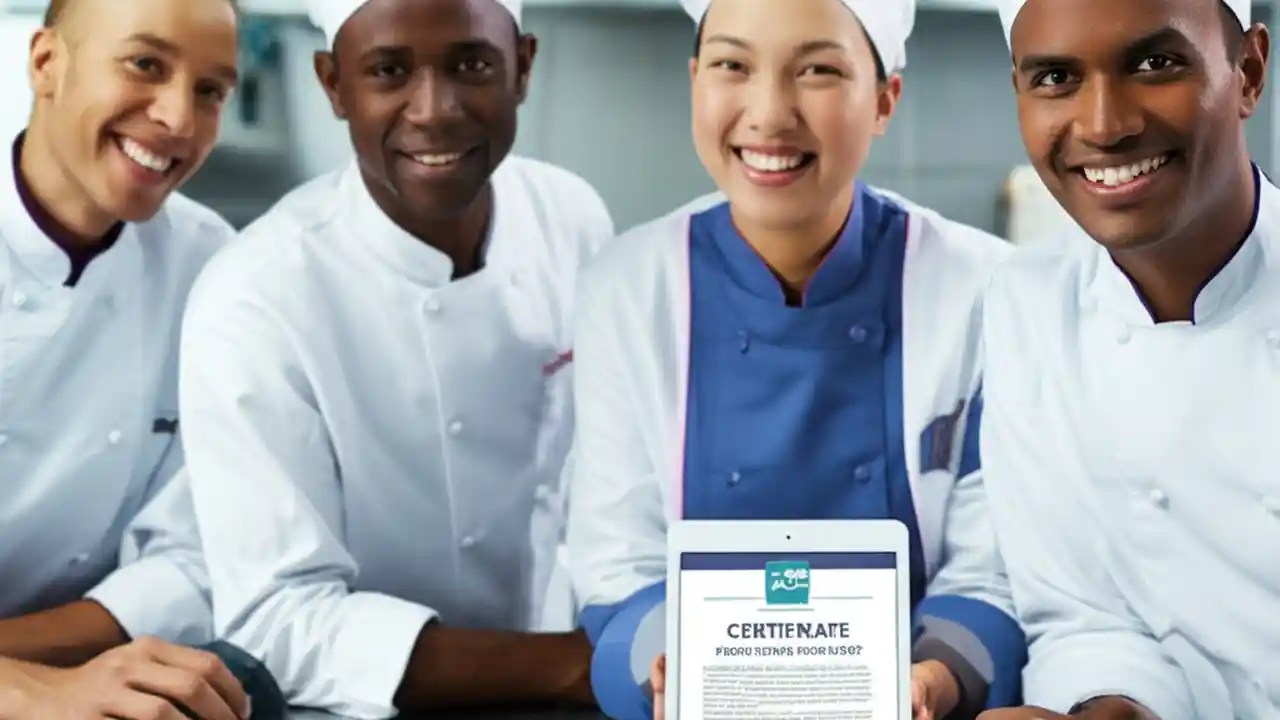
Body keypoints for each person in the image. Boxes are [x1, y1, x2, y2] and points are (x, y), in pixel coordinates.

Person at [566, 0, 1027, 719]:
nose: (770, 112)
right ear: (695, 80)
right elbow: (616, 563)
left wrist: (936, 675)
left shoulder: (985, 287)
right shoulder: (625, 289)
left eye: (817, 69)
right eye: (732, 66)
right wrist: (671, 667)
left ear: (884, 100)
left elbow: (993, 565)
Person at [178, 0, 615, 716]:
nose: (434, 110)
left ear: (524, 68)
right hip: (361, 706)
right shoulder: (254, 297)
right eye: (388, 71)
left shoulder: (572, 219)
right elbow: (278, 620)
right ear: (333, 85)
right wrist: (571, 666)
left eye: (472, 65)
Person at [977, 0, 1275, 718]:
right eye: (1054, 77)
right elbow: (1085, 615)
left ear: (1249, 72)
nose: (1104, 125)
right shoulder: (1028, 306)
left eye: (1154, 63)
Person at [0, 0, 252, 717]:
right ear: (47, 62)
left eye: (211, 91)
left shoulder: (213, 268)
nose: (179, 119)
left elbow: (195, 554)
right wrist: (27, 688)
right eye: (146, 64)